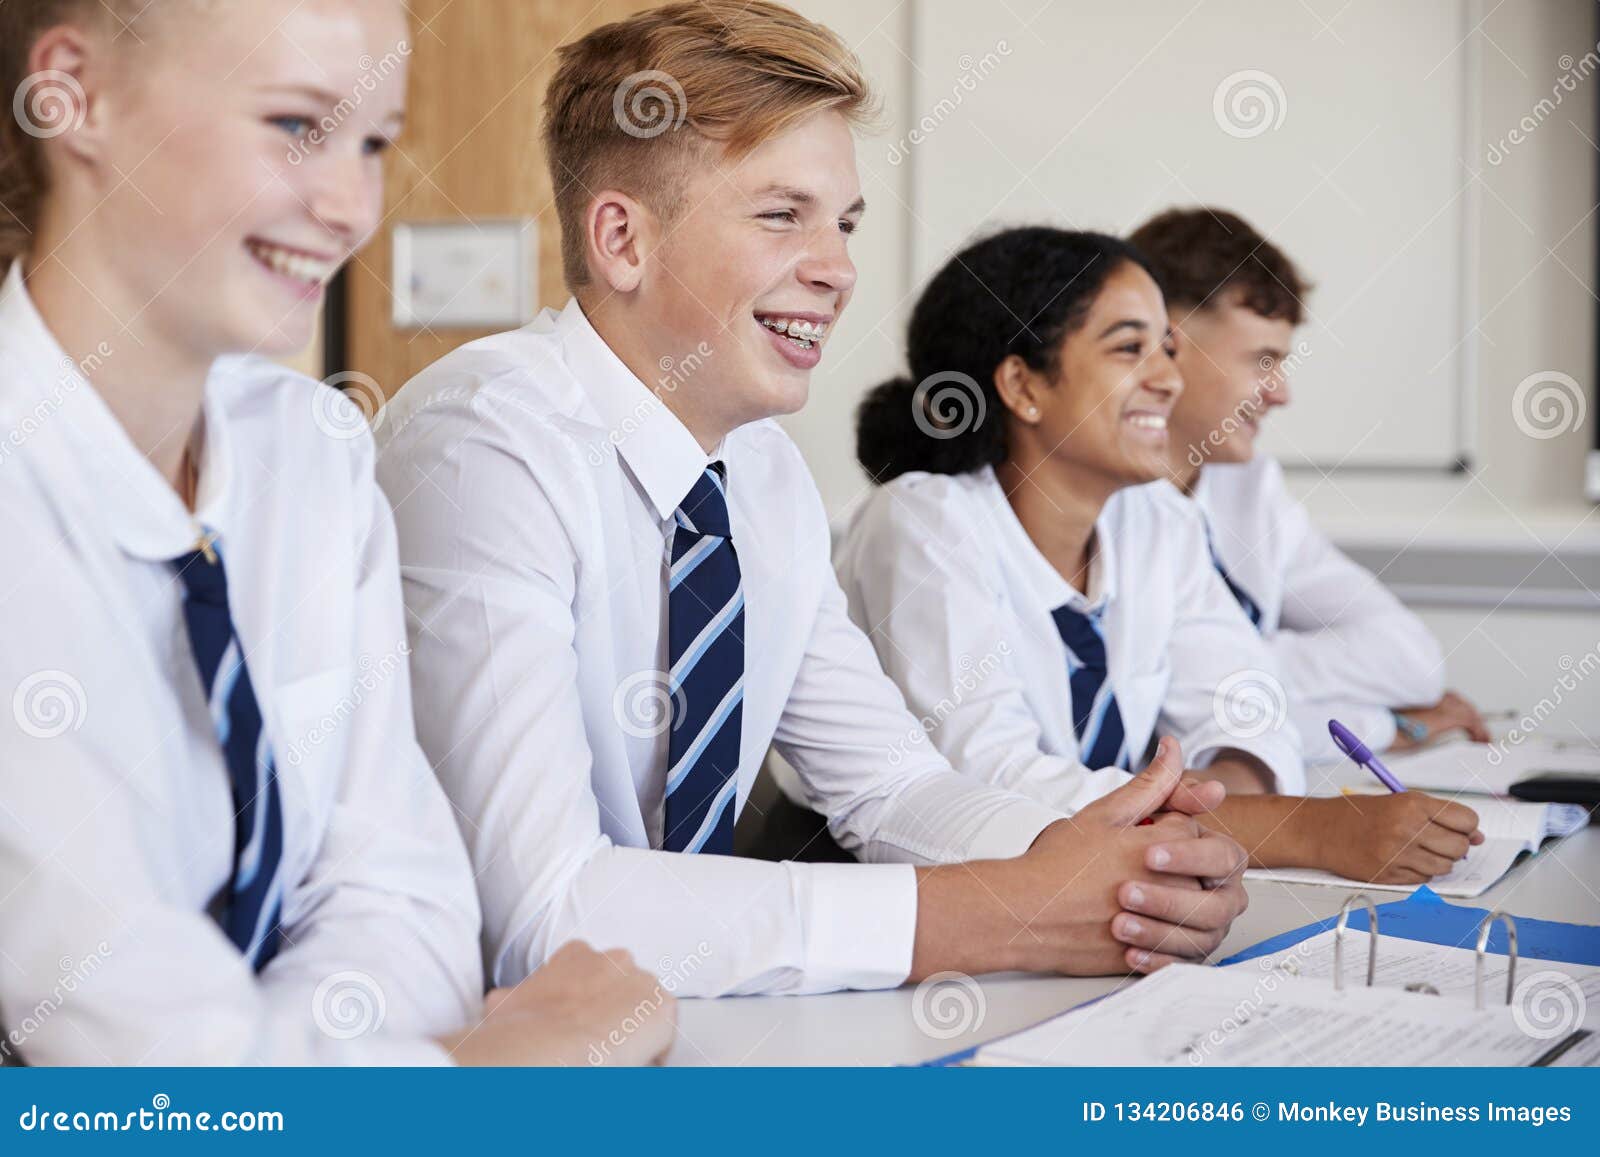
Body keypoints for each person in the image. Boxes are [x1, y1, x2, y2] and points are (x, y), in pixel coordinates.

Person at [375, 0, 1252, 998]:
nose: (837, 270)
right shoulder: (483, 439)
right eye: (781, 214)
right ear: (622, 239)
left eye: (843, 224)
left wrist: (1117, 864)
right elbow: (547, 912)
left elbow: (890, 784)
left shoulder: (762, 473)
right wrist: (1003, 910)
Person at [0, 0, 671, 1065]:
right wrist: (499, 1063)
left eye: (372, 143)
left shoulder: (310, 452)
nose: (353, 206)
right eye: (295, 126)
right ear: (72, 94)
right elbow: (146, 1078)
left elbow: (407, 903)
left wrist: (322, 1076)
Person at [836, 227, 1482, 886]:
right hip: (927, 905)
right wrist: (1302, 829)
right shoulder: (924, 523)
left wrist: (1202, 816)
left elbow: (1248, 708)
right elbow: (989, 786)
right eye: (1130, 348)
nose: (1169, 379)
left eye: (1169, 350)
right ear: (1022, 386)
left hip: (1112, 887)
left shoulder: (1155, 519)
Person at [1129, 207, 1490, 761]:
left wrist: (1235, 671)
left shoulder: (1249, 488)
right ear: (1166, 349)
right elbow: (1167, 726)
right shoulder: (1099, 502)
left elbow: (1411, 659)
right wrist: (1383, 727)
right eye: (1262, 360)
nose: (1280, 393)